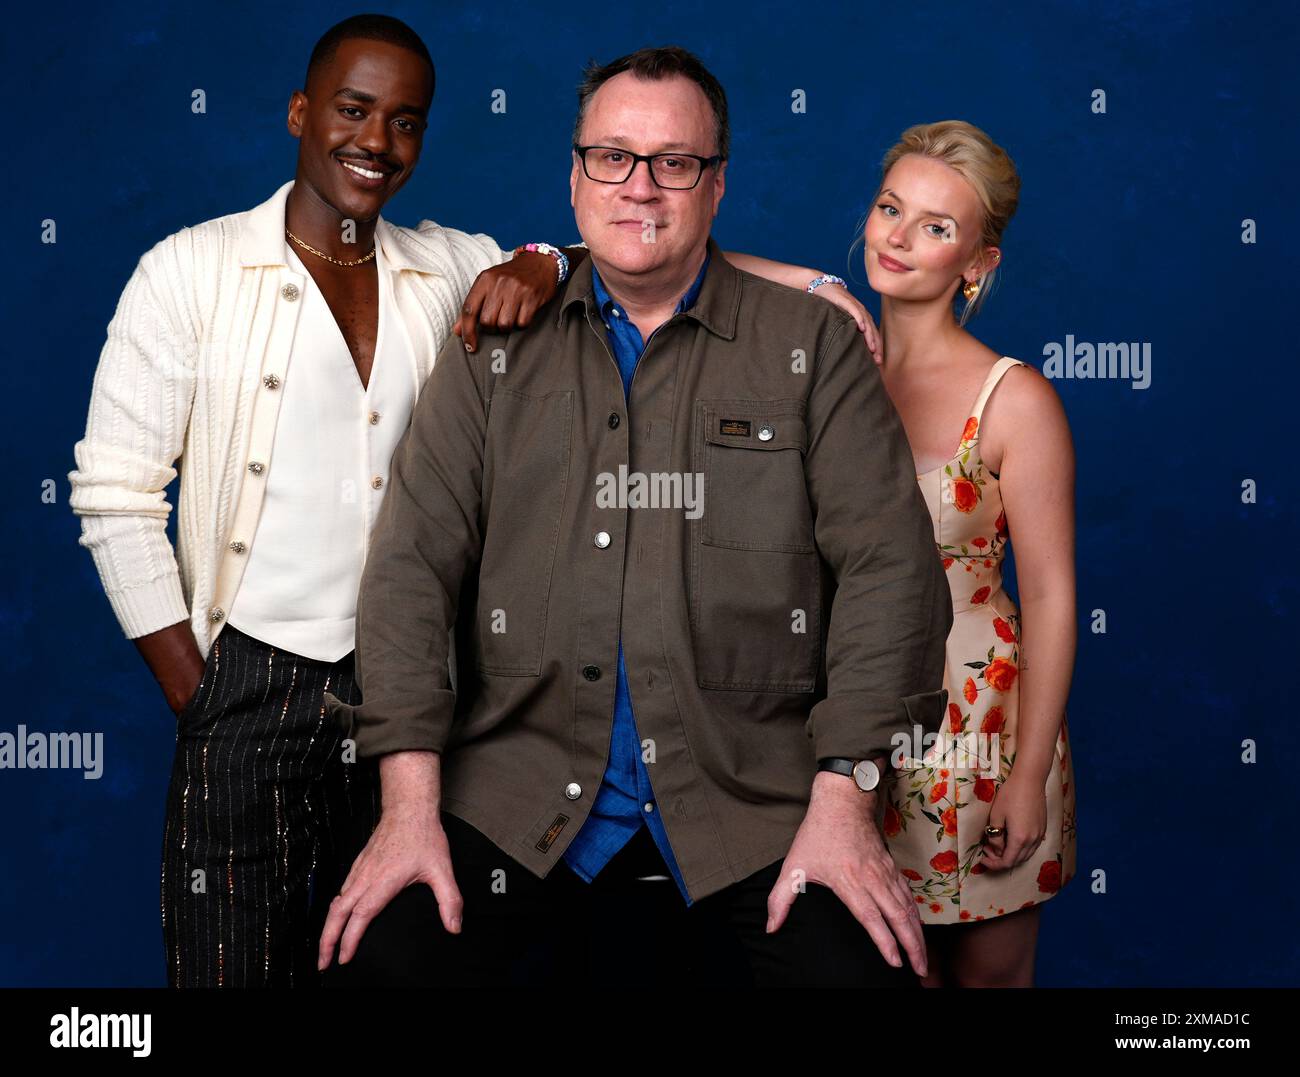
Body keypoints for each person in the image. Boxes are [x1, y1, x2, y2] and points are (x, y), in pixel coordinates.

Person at [316, 45, 952, 988]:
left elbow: (891, 576)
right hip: (516, 801)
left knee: (862, 977)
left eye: (674, 163)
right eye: (613, 157)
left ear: (717, 184)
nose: (640, 186)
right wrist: (407, 810)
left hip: (759, 809)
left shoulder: (813, 348)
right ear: (575, 179)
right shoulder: (492, 348)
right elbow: (411, 569)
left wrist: (845, 802)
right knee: (379, 968)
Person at [67, 14, 580, 988]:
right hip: (245, 677)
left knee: (393, 966)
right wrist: (198, 693)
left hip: (406, 700)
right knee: (227, 969)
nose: (376, 141)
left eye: (405, 122)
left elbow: (594, 255)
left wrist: (541, 261)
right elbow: (115, 498)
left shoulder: (442, 269)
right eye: (353, 110)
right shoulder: (191, 272)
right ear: (301, 113)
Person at [863, 121, 1079, 987]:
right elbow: (708, 268)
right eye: (889, 208)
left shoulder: (1015, 399)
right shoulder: (829, 371)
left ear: (978, 263)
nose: (899, 237)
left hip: (980, 733)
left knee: (987, 979)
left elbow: (1053, 597)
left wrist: (1026, 776)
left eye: (937, 226)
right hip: (851, 728)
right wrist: (815, 282)